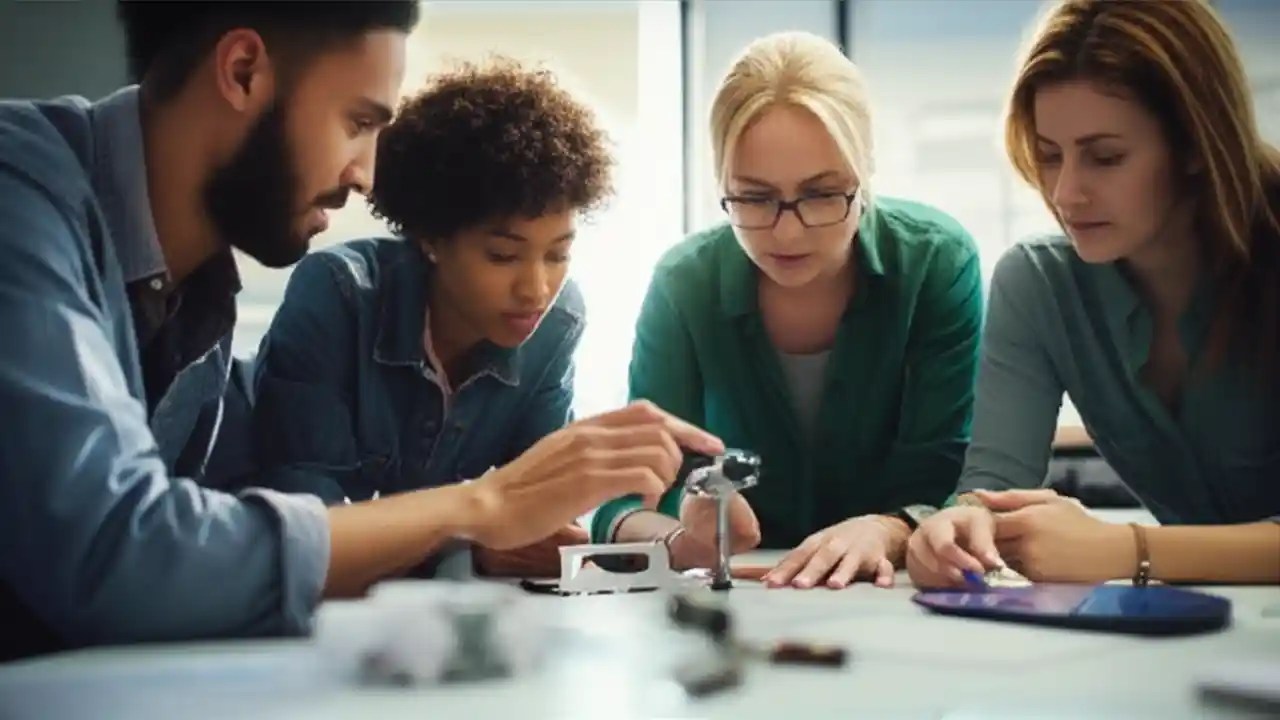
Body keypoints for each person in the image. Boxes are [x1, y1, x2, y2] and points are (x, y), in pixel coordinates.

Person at [0, 2, 721, 661]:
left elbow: (183, 565)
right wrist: (483, 506)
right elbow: (116, 558)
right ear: (243, 71)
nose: (368, 176)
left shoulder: (196, 292)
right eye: (358, 121)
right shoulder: (20, 198)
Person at [908, 0, 1280, 589]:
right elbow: (990, 493)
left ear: (1193, 144)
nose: (1066, 192)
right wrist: (955, 531)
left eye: (1106, 158)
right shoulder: (1039, 285)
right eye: (1050, 155)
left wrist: (1129, 550)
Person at [592, 31, 983, 590]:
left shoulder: (937, 264)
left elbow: (957, 479)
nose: (788, 230)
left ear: (865, 172)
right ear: (721, 182)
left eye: (823, 194)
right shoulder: (685, 284)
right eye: (754, 198)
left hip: (891, 592)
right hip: (747, 599)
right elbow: (623, 499)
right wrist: (682, 540)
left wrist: (888, 529)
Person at [250, 58, 615, 578]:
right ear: (430, 238)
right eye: (502, 256)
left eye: (557, 254)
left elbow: (541, 504)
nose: (536, 289)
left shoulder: (557, 324)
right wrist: (466, 549)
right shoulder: (337, 294)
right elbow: (308, 515)